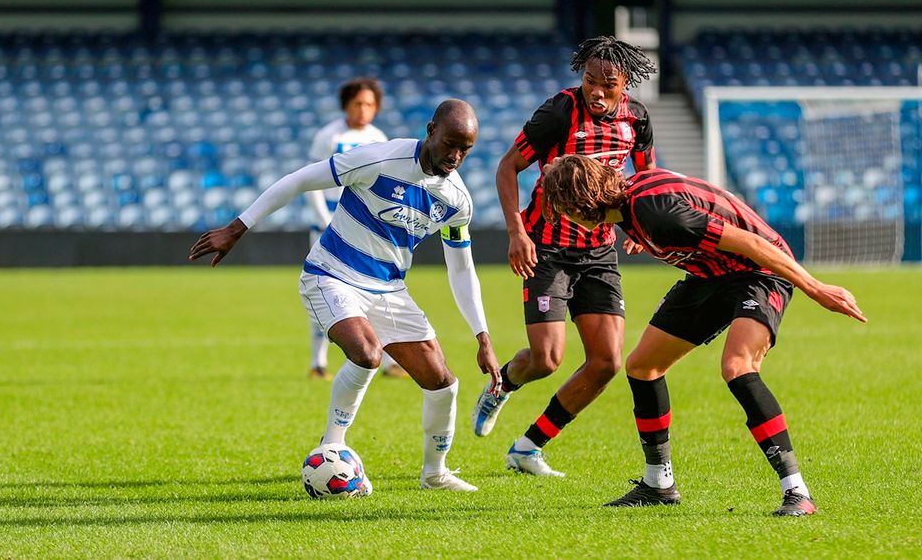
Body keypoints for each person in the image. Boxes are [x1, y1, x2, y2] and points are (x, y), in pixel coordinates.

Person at [189, 99, 500, 492]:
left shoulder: (457, 201)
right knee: (367, 354)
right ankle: (332, 447)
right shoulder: (378, 159)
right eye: (450, 143)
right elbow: (301, 179)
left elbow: (461, 268)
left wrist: (482, 335)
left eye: (465, 149)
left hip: (389, 289)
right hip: (330, 274)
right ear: (431, 129)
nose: (456, 156)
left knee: (443, 383)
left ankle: (435, 474)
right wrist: (238, 226)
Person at [540, 154, 867, 515]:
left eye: (562, 208)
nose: (563, 217)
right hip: (712, 275)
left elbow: (754, 244)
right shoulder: (634, 205)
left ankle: (797, 492)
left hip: (758, 272)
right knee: (642, 366)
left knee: (738, 366)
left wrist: (814, 287)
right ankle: (658, 484)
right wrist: (640, 234)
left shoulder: (657, 214)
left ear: (581, 203)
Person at [472, 36, 658, 477]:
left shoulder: (638, 118)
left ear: (625, 83)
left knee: (608, 362)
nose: (596, 91)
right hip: (547, 250)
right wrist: (517, 231)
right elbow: (506, 167)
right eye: (590, 81)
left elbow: (645, 172)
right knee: (546, 360)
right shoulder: (559, 112)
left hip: (598, 252)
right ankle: (504, 382)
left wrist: (639, 226)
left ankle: (528, 446)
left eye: (607, 84)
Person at [305, 77, 408, 380]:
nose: (364, 110)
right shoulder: (329, 136)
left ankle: (390, 362)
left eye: (370, 105)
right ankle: (317, 362)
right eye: (358, 104)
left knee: (376, 291)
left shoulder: (378, 137)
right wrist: (323, 219)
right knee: (325, 288)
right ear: (346, 105)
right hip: (330, 228)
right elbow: (310, 180)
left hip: (366, 229)